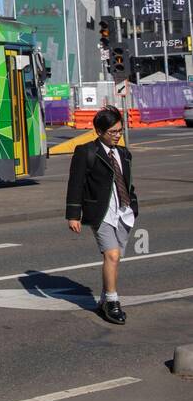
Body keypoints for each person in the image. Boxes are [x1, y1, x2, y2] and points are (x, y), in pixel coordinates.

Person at [66, 106, 139, 324]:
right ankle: (113, 302)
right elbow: (76, 184)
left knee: (115, 259)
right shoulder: (86, 151)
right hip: (101, 213)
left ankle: (105, 299)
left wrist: (133, 205)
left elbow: (128, 182)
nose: (117, 135)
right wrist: (73, 214)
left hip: (124, 213)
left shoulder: (124, 153)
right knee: (112, 255)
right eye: (112, 132)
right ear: (99, 131)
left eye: (120, 130)